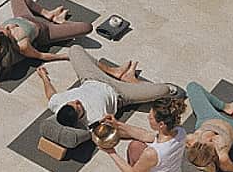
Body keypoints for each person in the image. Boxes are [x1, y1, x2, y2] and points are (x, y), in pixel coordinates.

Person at [36, 46, 177, 130]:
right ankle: (128, 80)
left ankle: (115, 71)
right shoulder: (93, 120)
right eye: (79, 107)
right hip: (120, 94)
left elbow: (50, 95)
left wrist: (44, 78)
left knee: (75, 50)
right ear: (79, 119)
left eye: (73, 102)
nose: (77, 101)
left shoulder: (57, 105)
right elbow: (110, 131)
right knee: (167, 90)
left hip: (91, 78)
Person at [0, 0, 94, 82]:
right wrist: (64, 56)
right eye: (8, 31)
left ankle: (48, 14)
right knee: (87, 27)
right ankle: (60, 21)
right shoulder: (22, 45)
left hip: (24, 15)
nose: (9, 26)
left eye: (3, 27)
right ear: (9, 40)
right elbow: (41, 56)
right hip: (46, 30)